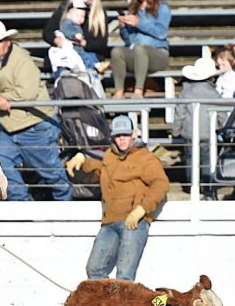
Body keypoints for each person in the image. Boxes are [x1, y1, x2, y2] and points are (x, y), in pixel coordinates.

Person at [0, 19, 72, 202]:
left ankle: (67, 208)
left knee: (51, 174)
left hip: (34, 125)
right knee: (1, 165)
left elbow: (28, 92)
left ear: (7, 41)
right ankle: (23, 207)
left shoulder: (22, 59)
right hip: (8, 128)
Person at [65, 115, 170, 281]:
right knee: (94, 270)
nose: (121, 139)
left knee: (125, 276)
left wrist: (142, 209)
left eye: (125, 135)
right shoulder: (110, 156)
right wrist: (83, 160)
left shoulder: (146, 158)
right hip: (109, 222)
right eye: (117, 135)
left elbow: (161, 184)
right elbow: (102, 171)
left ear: (134, 134)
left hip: (133, 222)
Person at [110, 0, 171, 99]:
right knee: (117, 51)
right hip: (137, 53)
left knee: (140, 49)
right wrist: (123, 28)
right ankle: (119, 91)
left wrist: (139, 23)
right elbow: (129, 41)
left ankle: (138, 90)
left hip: (157, 53)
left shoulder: (162, 7)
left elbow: (161, 33)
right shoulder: (134, 9)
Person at [172, 56, 229, 187]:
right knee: (207, 159)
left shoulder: (186, 93)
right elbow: (222, 115)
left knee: (191, 158)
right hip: (208, 133)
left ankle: (191, 184)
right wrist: (223, 127)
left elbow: (180, 113)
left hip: (189, 133)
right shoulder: (214, 94)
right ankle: (207, 184)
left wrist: (176, 130)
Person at [42, 0, 109, 74]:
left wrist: (84, 43)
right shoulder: (65, 8)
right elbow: (47, 32)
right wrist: (57, 40)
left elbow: (101, 44)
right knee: (64, 71)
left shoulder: (99, 12)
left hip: (89, 55)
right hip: (66, 54)